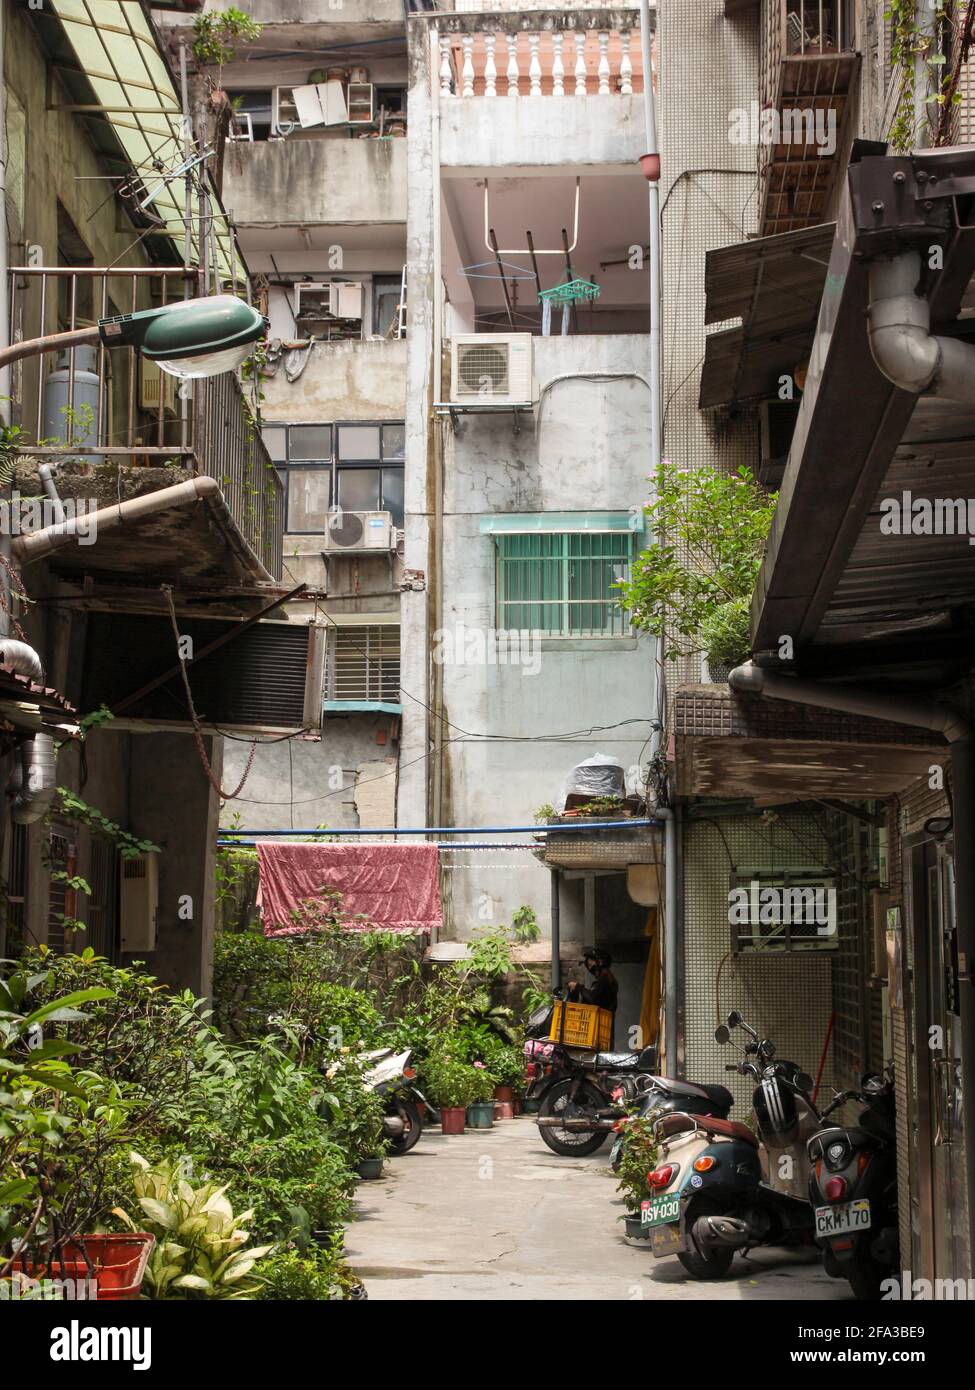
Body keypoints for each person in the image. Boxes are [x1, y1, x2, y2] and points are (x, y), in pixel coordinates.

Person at [566, 947, 619, 1046]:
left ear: (600, 962)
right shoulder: (603, 979)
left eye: (591, 963)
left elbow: (594, 999)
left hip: (600, 1028)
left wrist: (578, 987)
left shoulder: (605, 978)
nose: (589, 968)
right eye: (588, 965)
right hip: (596, 1028)